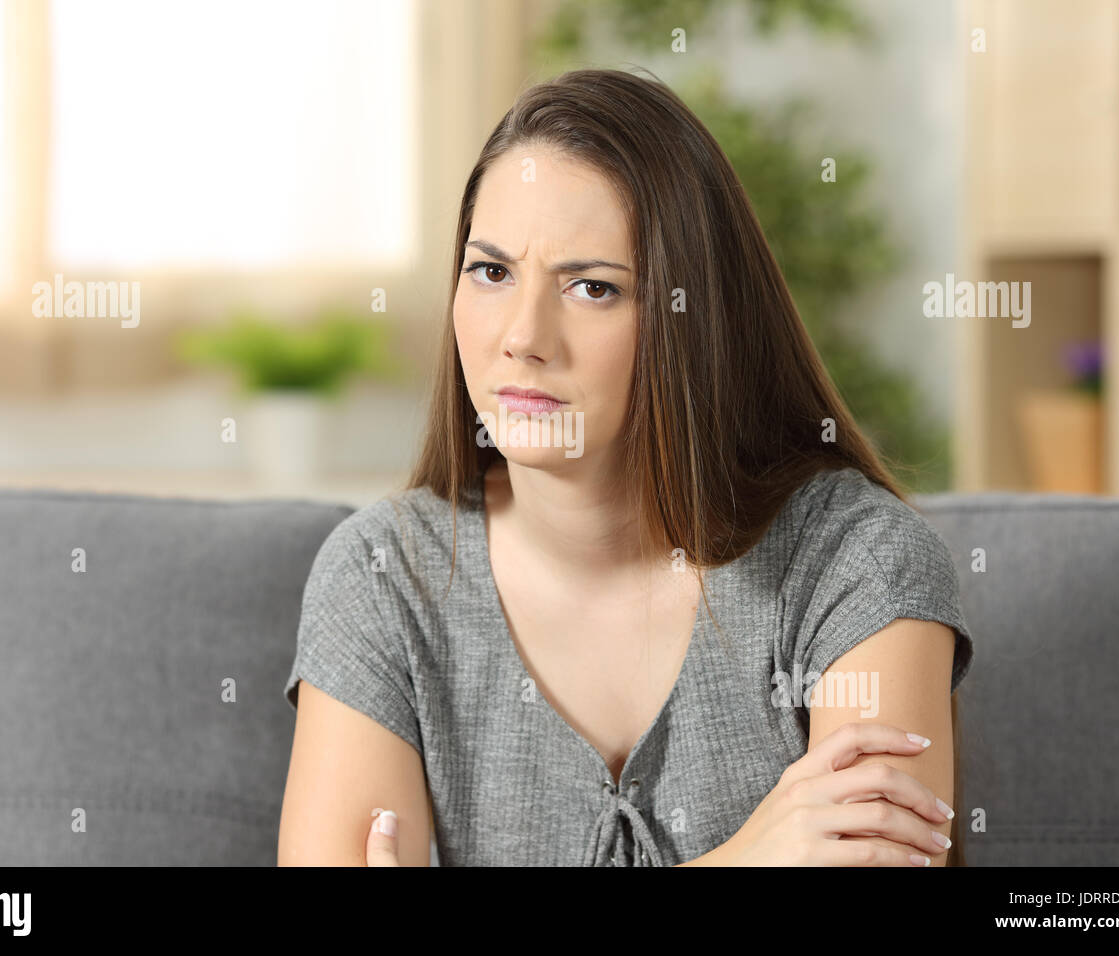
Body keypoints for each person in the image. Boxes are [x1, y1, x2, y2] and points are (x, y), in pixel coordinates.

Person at [278, 68, 973, 867]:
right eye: (492, 271)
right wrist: (747, 858)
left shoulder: (858, 563)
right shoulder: (382, 576)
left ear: (692, 318)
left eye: (592, 287)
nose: (523, 337)